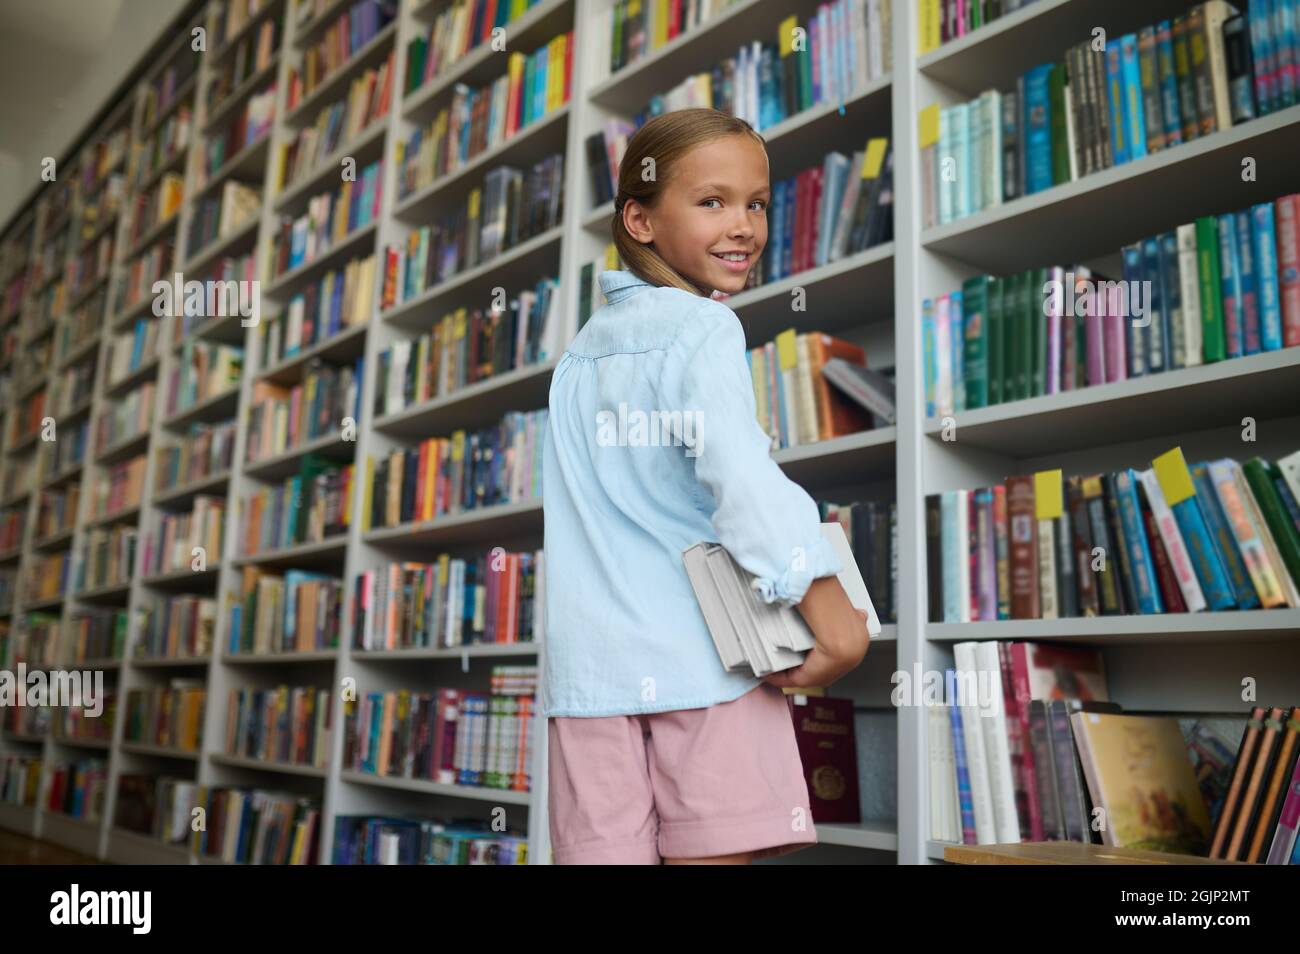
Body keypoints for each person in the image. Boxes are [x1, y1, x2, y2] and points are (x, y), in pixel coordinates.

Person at [540, 107, 871, 865]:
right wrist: (833, 614)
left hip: (588, 685)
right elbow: (742, 478)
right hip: (702, 669)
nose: (744, 226)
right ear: (641, 219)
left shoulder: (577, 359)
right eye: (712, 201)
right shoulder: (703, 329)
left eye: (756, 203)